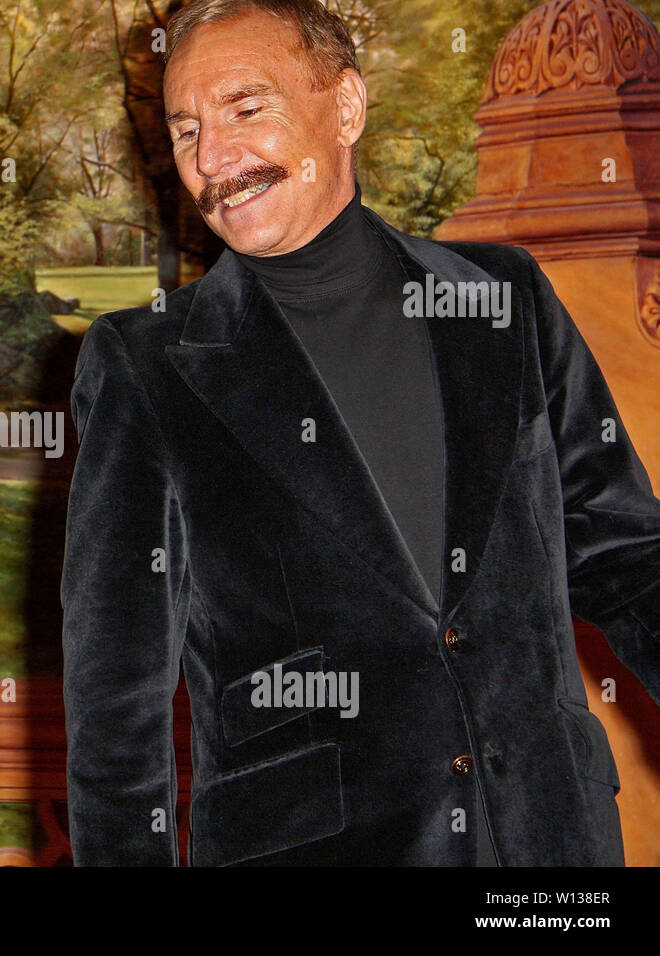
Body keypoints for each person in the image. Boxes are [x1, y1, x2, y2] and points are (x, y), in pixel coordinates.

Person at [61, 0, 660, 866]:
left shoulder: (504, 297)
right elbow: (118, 702)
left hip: (549, 845)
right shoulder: (146, 365)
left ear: (345, 107)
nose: (213, 158)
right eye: (187, 129)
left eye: (245, 107)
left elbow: (626, 551)